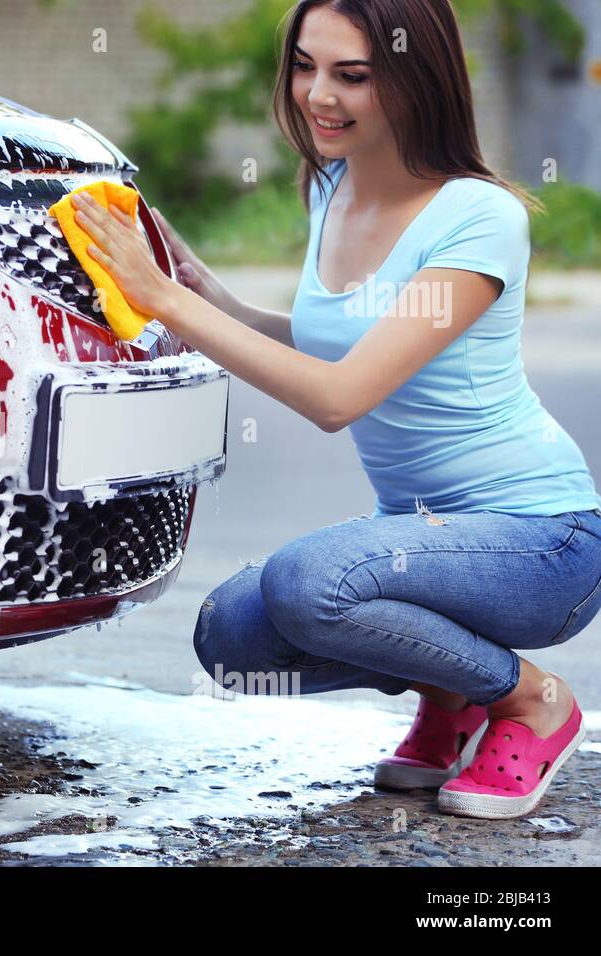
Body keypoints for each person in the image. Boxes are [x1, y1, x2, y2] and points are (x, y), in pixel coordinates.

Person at [72, 0, 601, 820]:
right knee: (230, 634)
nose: (319, 94)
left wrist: (164, 303)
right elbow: (331, 344)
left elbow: (339, 395)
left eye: (352, 75)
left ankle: (533, 702)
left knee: (308, 582)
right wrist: (193, 287)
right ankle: (452, 694)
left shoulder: (478, 217)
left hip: (541, 544)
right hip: (422, 545)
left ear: (416, 76)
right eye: (305, 66)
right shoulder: (334, 185)